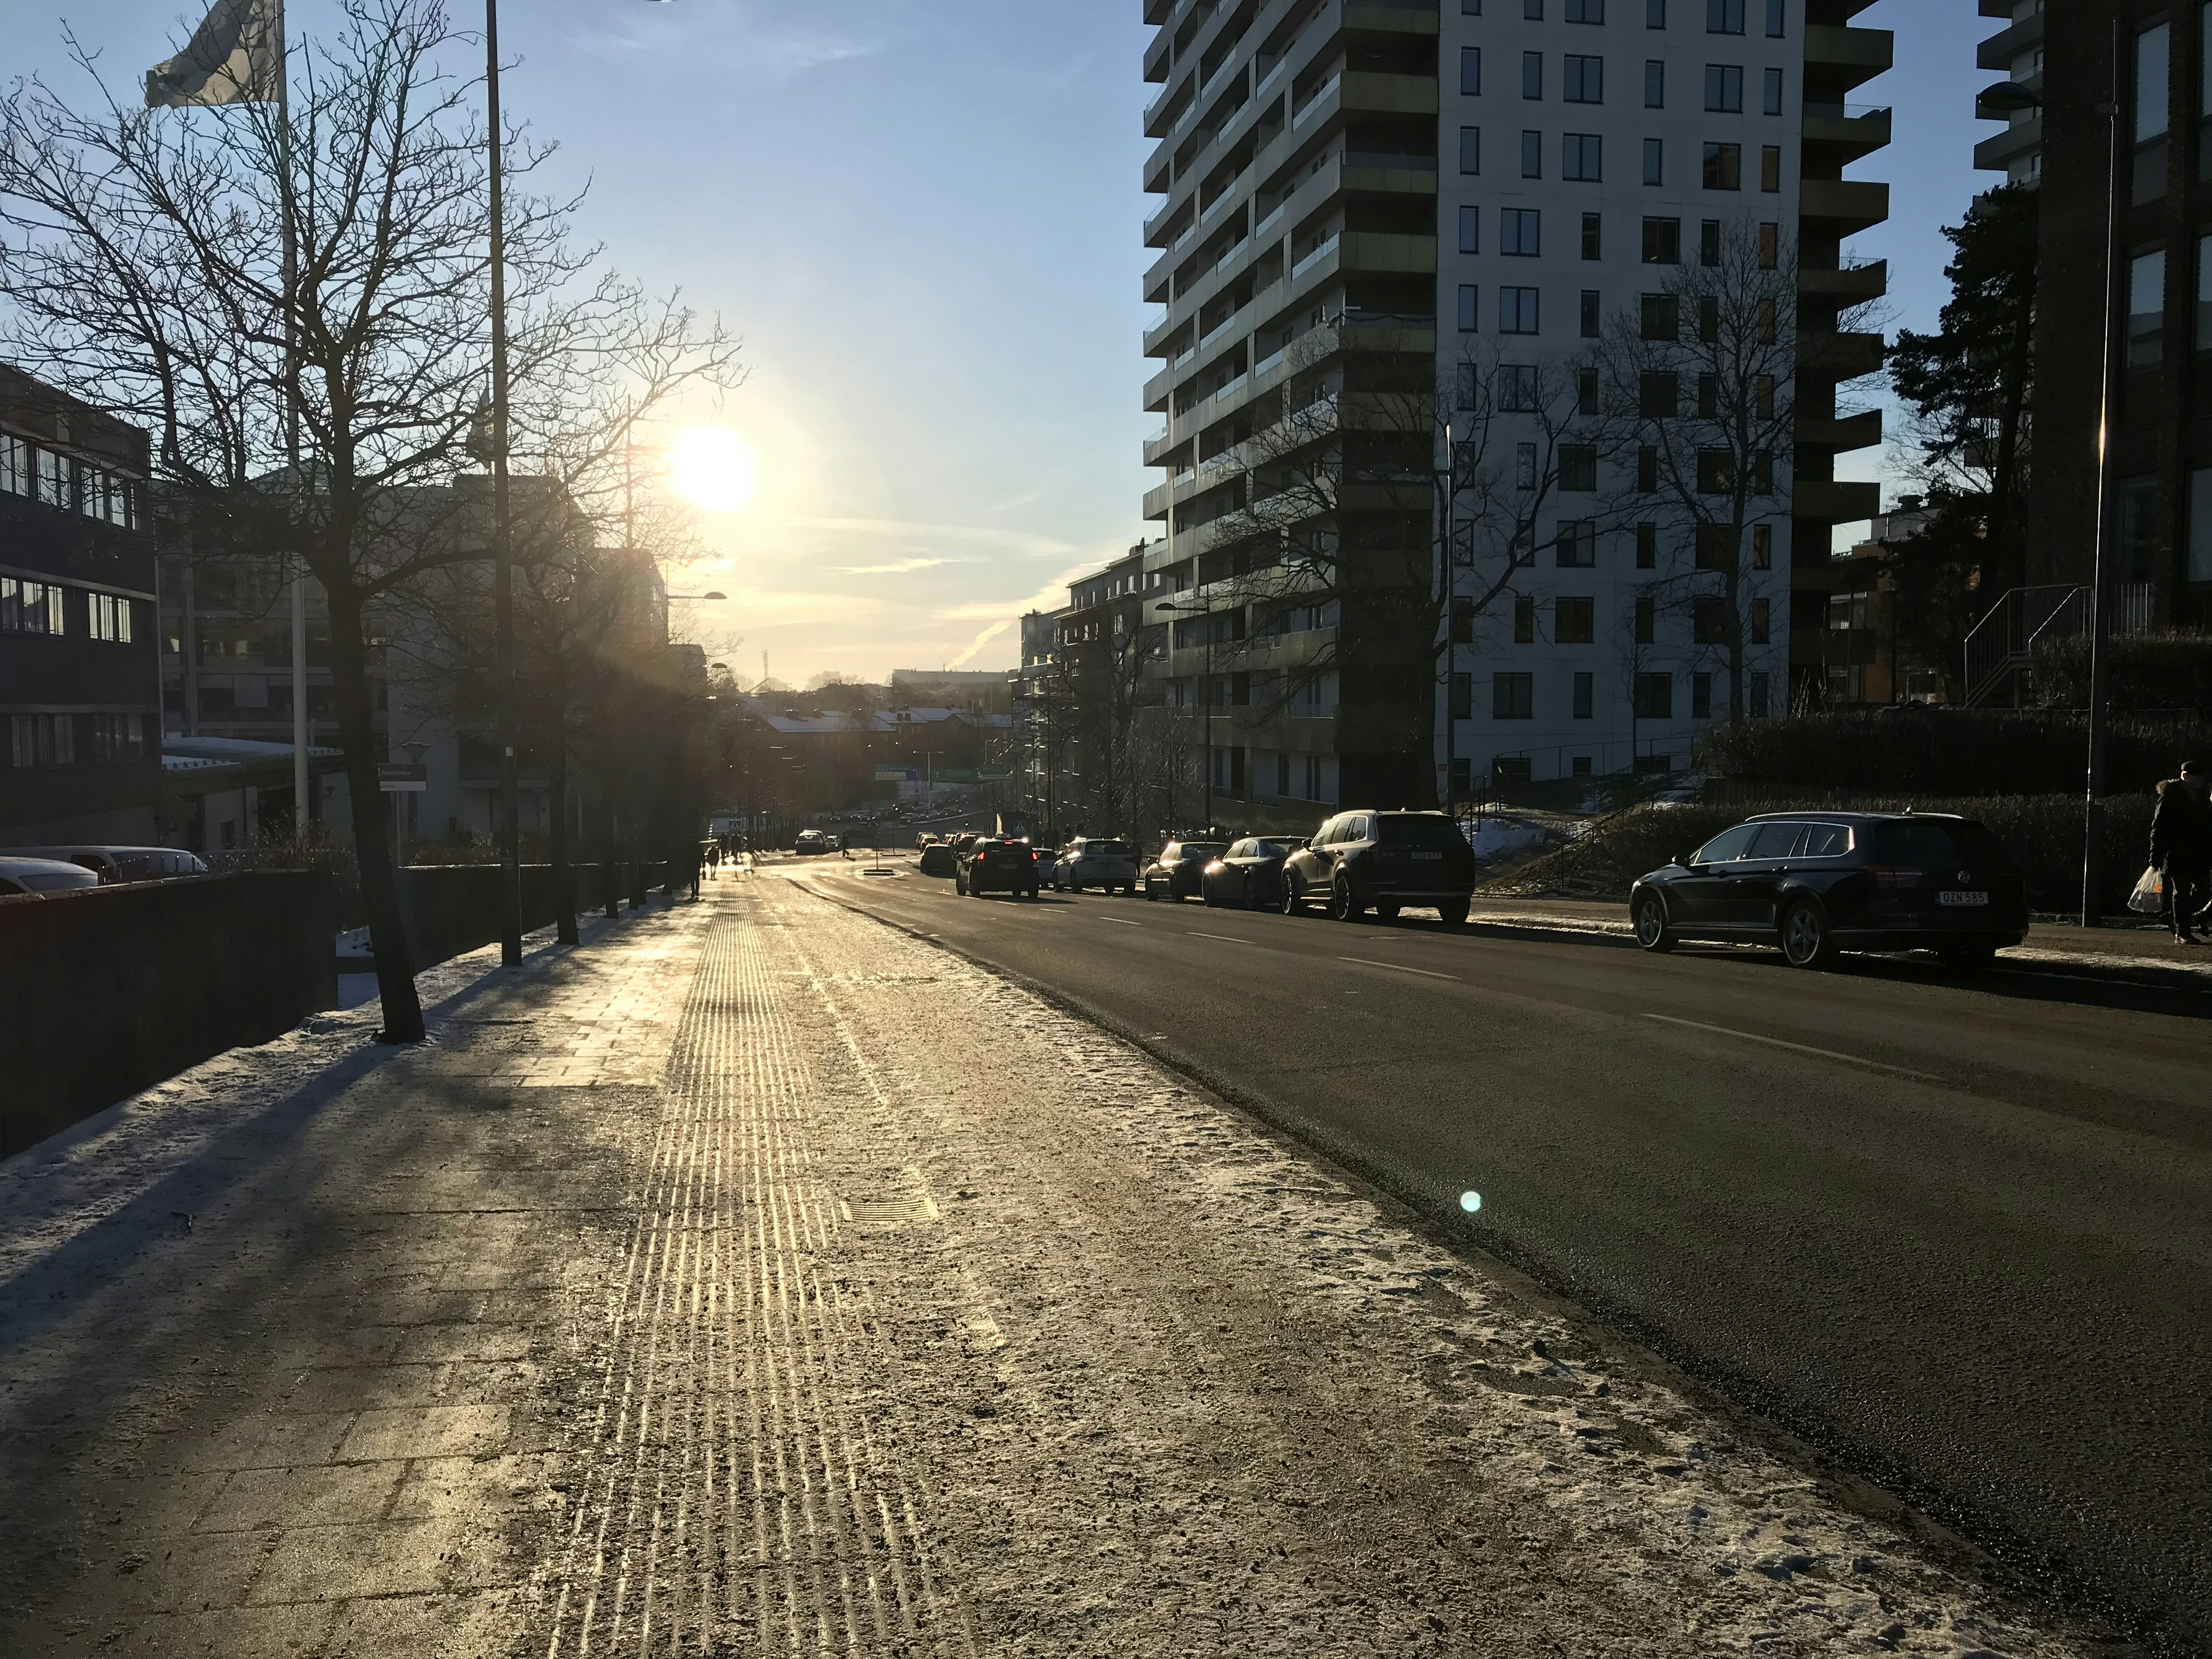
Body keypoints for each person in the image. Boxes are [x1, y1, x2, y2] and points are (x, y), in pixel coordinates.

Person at [2148, 760, 2212, 943]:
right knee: (2182, 892)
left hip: (2196, 852)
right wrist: (2155, 853)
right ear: (2186, 776)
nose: (2200, 780)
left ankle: (2175, 917)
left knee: (2201, 891)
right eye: (2197, 776)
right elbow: (2158, 827)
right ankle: (2182, 932)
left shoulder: (2200, 797)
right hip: (2176, 852)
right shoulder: (2171, 797)